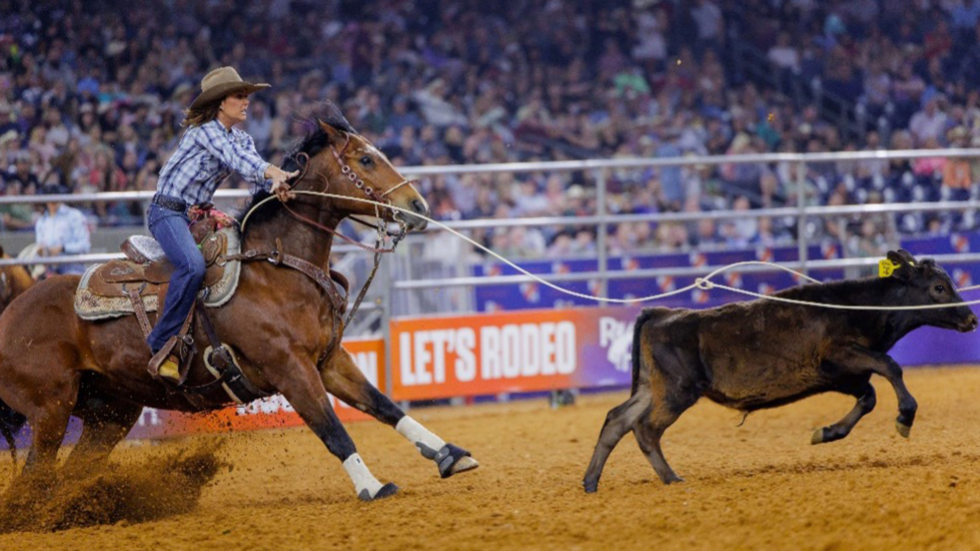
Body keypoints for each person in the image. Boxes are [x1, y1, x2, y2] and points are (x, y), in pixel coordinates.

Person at [146, 67, 297, 382]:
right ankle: (162, 344)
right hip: (167, 212)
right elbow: (240, 161)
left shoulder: (242, 138)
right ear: (220, 103)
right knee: (192, 266)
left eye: (246, 96)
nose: (246, 102)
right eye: (239, 96)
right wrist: (273, 171)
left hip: (198, 215)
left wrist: (277, 185)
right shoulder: (204, 131)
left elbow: (255, 174)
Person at [35, 184, 91, 276]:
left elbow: (84, 246)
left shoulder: (74, 216)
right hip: (49, 270)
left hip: (72, 268)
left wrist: (63, 248)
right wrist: (42, 252)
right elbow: (39, 247)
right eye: (49, 199)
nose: (53, 202)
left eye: (55, 198)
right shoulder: (41, 221)